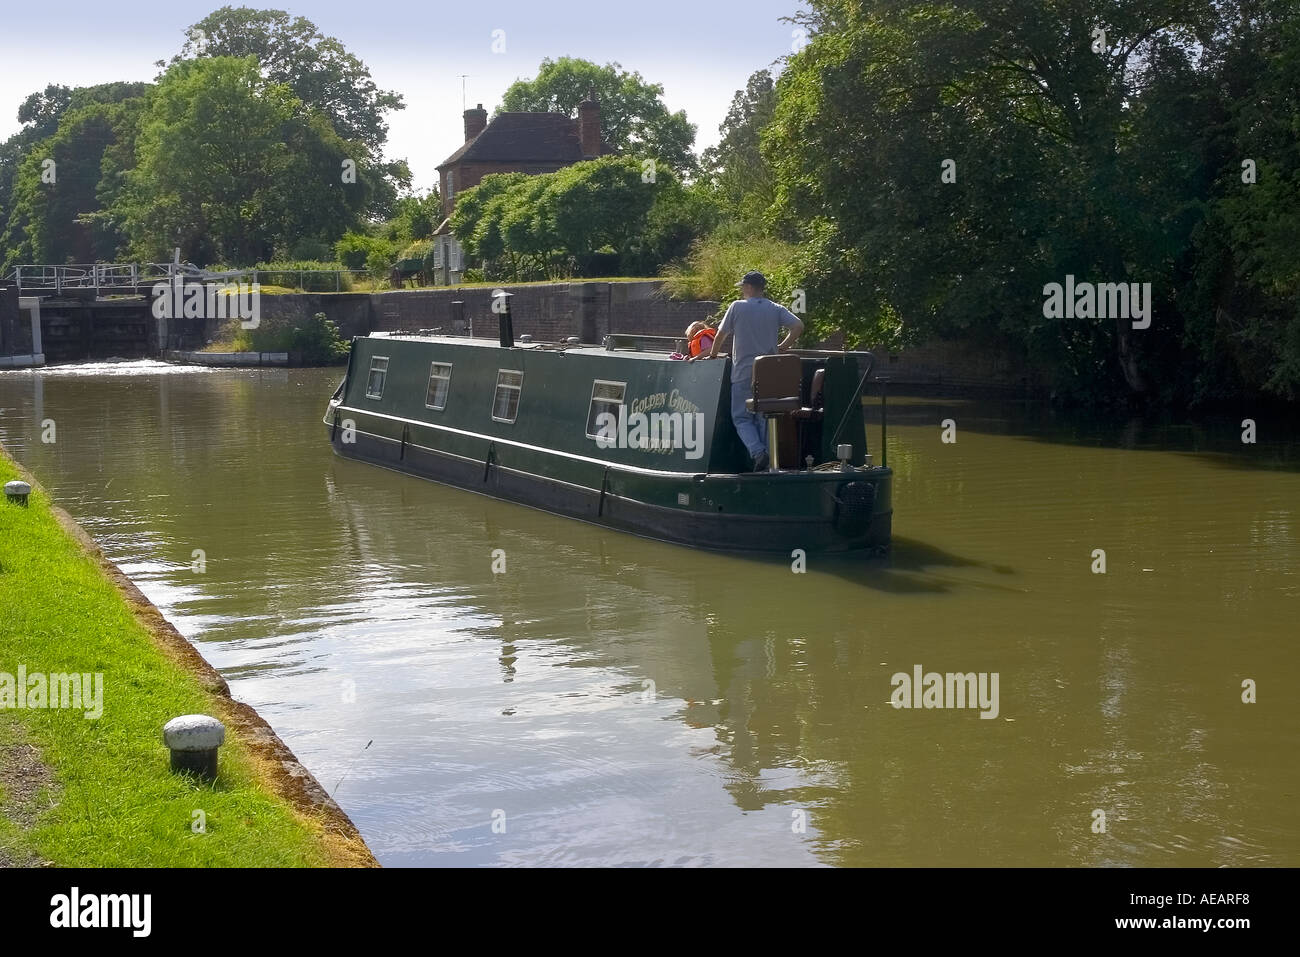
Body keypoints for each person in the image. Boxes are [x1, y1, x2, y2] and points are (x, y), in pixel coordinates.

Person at [693, 271, 804, 471]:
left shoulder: (737, 307)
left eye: (743, 287)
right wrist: (784, 346)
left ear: (750, 287)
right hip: (770, 374)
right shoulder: (775, 308)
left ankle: (758, 452)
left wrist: (713, 355)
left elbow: (720, 335)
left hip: (744, 372)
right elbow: (798, 325)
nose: (742, 290)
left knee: (742, 417)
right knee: (764, 415)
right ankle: (768, 463)